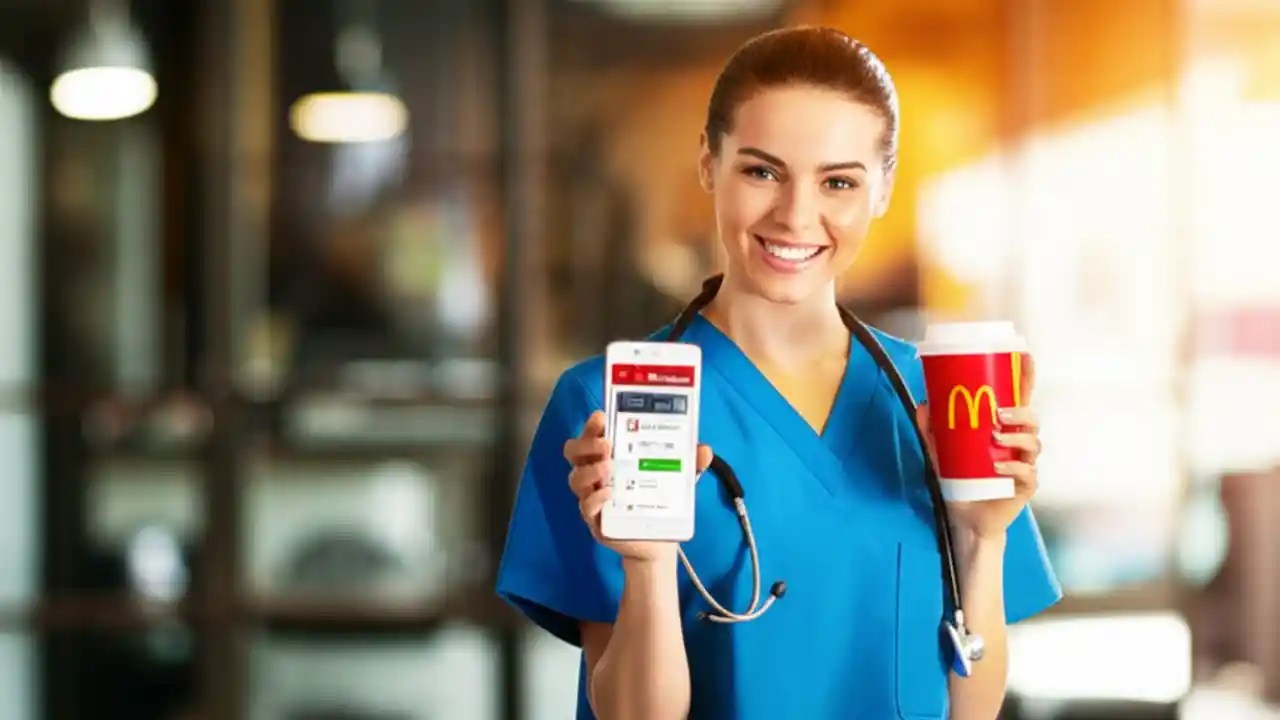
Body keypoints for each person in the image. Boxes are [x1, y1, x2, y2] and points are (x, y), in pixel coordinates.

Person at [496, 26, 1060, 720]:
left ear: (882, 188)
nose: (796, 216)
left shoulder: (939, 399)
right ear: (709, 163)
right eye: (762, 171)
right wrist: (645, 562)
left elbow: (969, 709)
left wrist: (984, 536)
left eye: (839, 182)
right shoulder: (609, 405)